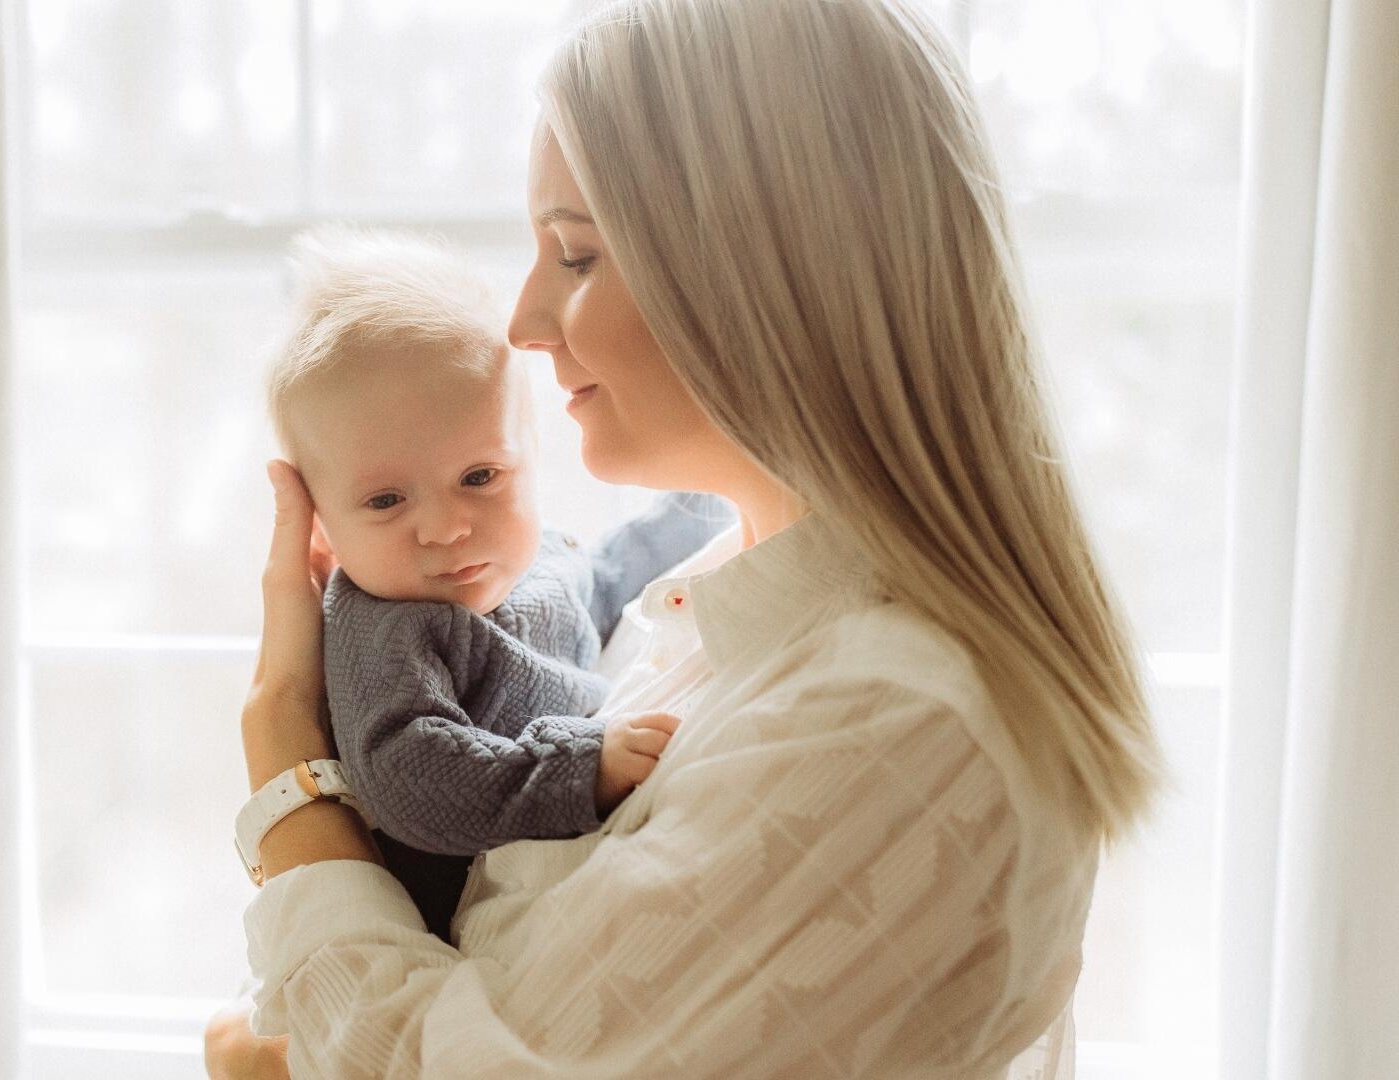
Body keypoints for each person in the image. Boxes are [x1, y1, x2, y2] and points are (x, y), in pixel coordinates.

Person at [209, 0, 1165, 1075]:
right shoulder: (707, 605)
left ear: (766, 277)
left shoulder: (891, 724)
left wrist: (287, 767)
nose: (521, 324)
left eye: (573, 256)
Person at [261, 226, 734, 942]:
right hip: (432, 942)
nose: (448, 528)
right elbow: (412, 775)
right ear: (321, 529)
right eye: (387, 501)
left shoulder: (538, 561)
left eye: (480, 478)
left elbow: (606, 584)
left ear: (529, 458)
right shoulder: (387, 627)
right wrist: (579, 767)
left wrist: (709, 491)